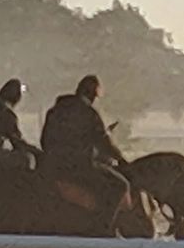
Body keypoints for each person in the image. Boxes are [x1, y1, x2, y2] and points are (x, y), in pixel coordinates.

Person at [39, 73, 130, 215]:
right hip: (78, 166)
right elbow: (104, 143)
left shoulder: (54, 110)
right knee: (120, 186)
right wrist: (121, 159)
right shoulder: (88, 113)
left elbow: (44, 140)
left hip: (52, 165)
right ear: (90, 94)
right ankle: (103, 225)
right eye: (95, 96)